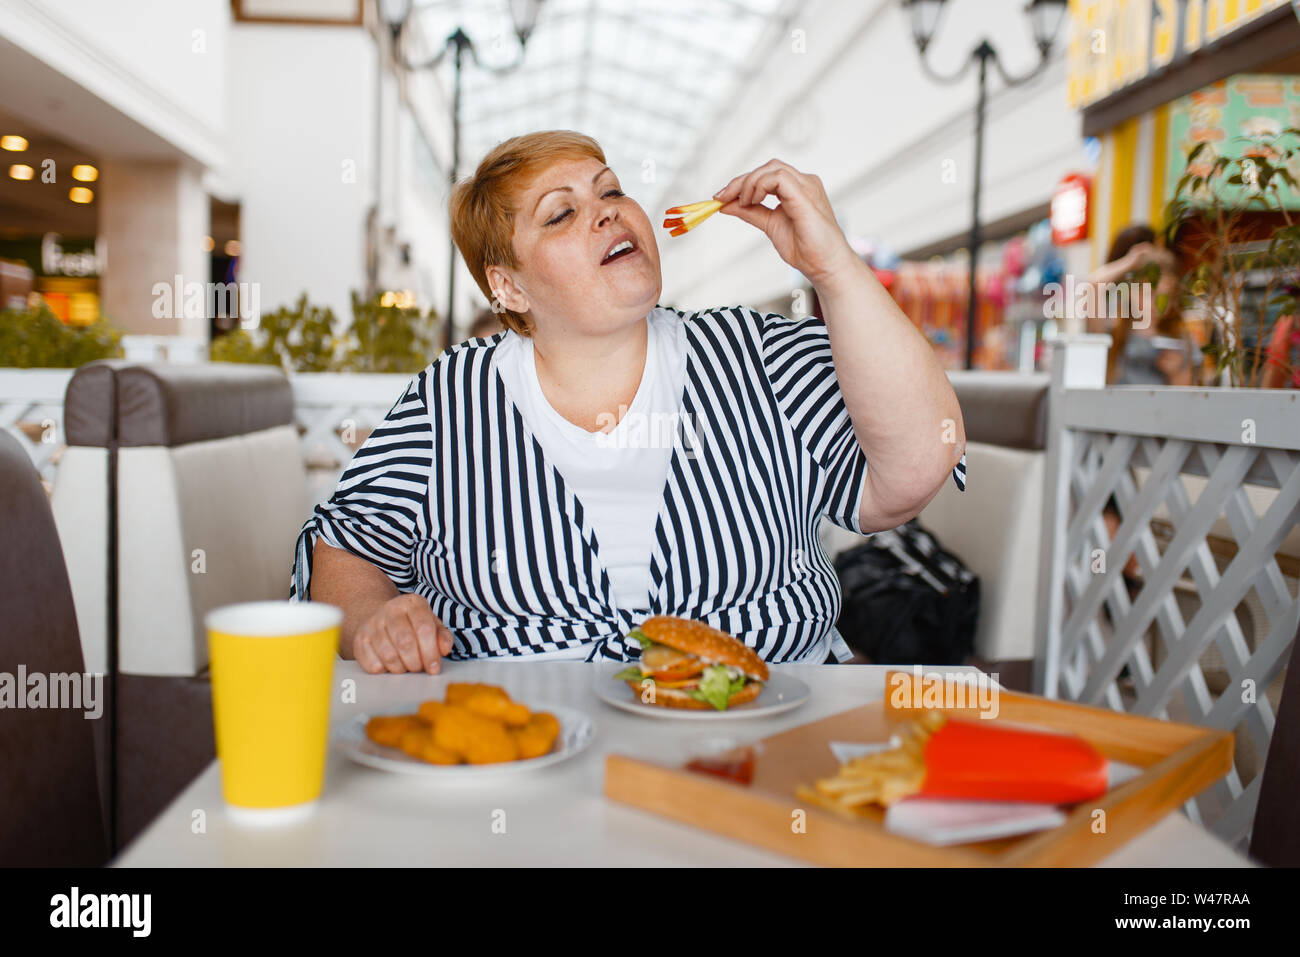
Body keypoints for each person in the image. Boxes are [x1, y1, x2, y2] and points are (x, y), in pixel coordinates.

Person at [291, 130, 967, 674]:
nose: (606, 209)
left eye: (610, 188)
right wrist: (376, 621)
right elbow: (346, 548)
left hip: (764, 745)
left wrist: (832, 265)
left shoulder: (755, 354)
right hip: (525, 761)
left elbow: (915, 469)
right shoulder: (452, 397)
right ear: (510, 288)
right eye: (561, 212)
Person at [1085, 224, 1198, 386]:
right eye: (1148, 294)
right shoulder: (1113, 330)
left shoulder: (1180, 341)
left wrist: (1175, 373)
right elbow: (1092, 285)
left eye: (1165, 297)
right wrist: (1130, 261)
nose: (1155, 304)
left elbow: (1187, 402)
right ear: (1130, 291)